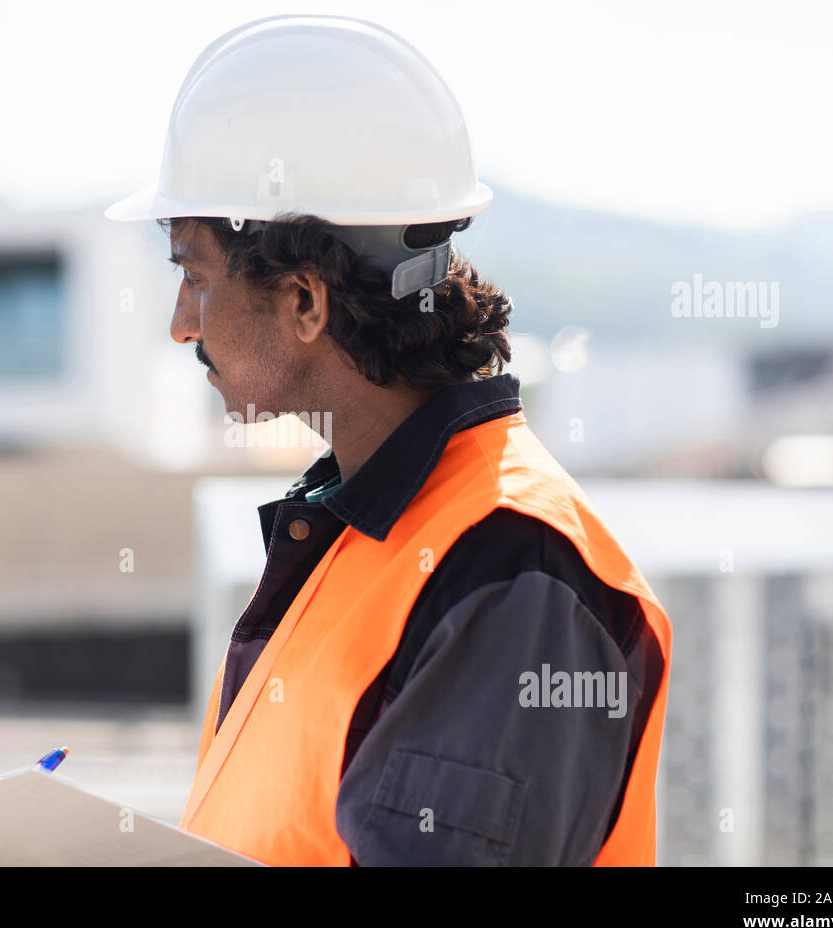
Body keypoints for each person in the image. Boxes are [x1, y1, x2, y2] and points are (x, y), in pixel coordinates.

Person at [105, 14, 672, 866]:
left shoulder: (514, 568)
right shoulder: (361, 537)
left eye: (193, 276)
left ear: (304, 301)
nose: (181, 324)